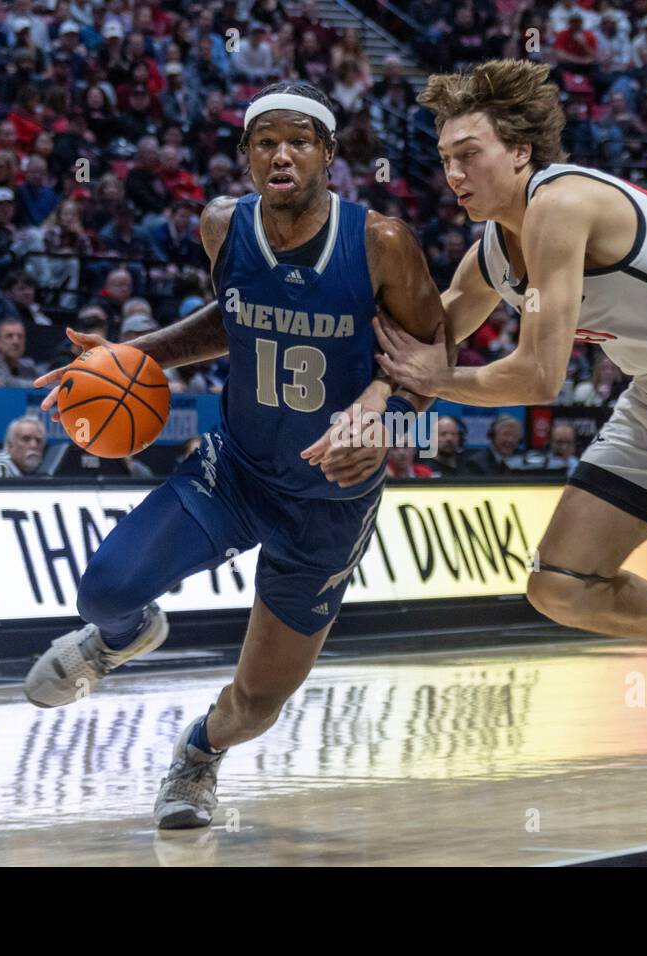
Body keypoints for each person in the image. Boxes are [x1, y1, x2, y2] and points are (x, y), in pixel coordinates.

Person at [374, 59, 647, 836]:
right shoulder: (495, 245)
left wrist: (434, 380)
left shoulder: (562, 205)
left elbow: (540, 375)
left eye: (470, 152)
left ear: (520, 150)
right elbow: (433, 328)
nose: (453, 171)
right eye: (445, 157)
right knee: (559, 585)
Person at [22, 83, 443, 831]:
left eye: (300, 140)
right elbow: (234, 318)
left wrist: (383, 418)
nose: (281, 153)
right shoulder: (223, 226)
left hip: (329, 504)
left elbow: (432, 358)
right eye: (264, 141)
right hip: (237, 470)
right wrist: (134, 353)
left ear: (329, 154)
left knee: (257, 703)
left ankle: (198, 755)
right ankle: (122, 641)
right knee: (103, 591)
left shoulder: (381, 241)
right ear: (247, 155)